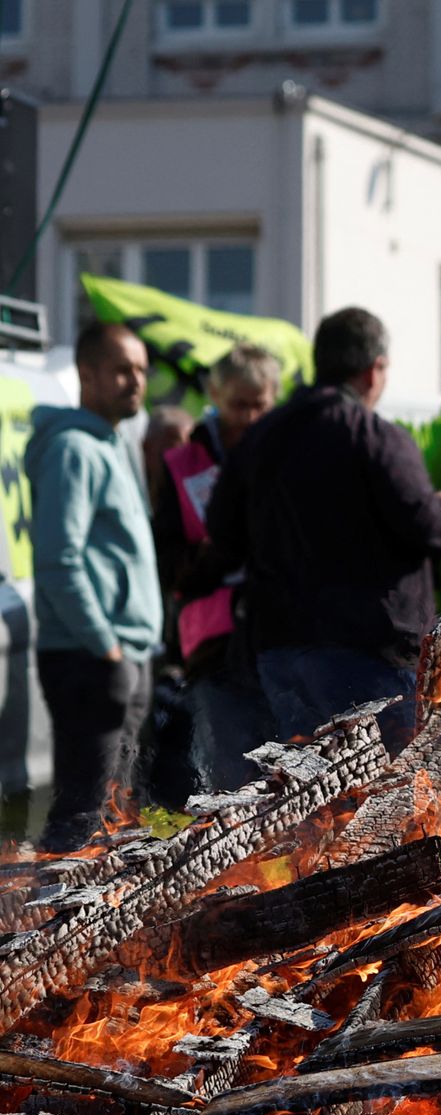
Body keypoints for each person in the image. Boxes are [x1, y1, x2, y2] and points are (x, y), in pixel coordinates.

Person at [208, 308, 441, 753]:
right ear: (374, 370)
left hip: (282, 653)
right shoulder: (375, 436)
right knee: (382, 801)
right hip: (368, 655)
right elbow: (423, 526)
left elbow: (222, 533)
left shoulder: (261, 436)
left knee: (312, 804)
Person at [27, 321, 161, 850]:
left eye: (142, 371)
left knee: (110, 815)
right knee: (82, 819)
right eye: (122, 369)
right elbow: (59, 561)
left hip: (121, 653)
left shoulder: (110, 442)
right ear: (87, 373)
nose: (136, 381)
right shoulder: (73, 451)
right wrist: (106, 647)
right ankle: (42, 926)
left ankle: (95, 929)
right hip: (92, 659)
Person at [160, 345, 279, 791]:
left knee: (290, 775)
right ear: (214, 394)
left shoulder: (284, 455)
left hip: (280, 634)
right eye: (237, 405)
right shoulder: (183, 464)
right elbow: (168, 561)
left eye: (259, 406)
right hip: (214, 643)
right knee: (234, 777)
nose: (248, 418)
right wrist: (214, 555)